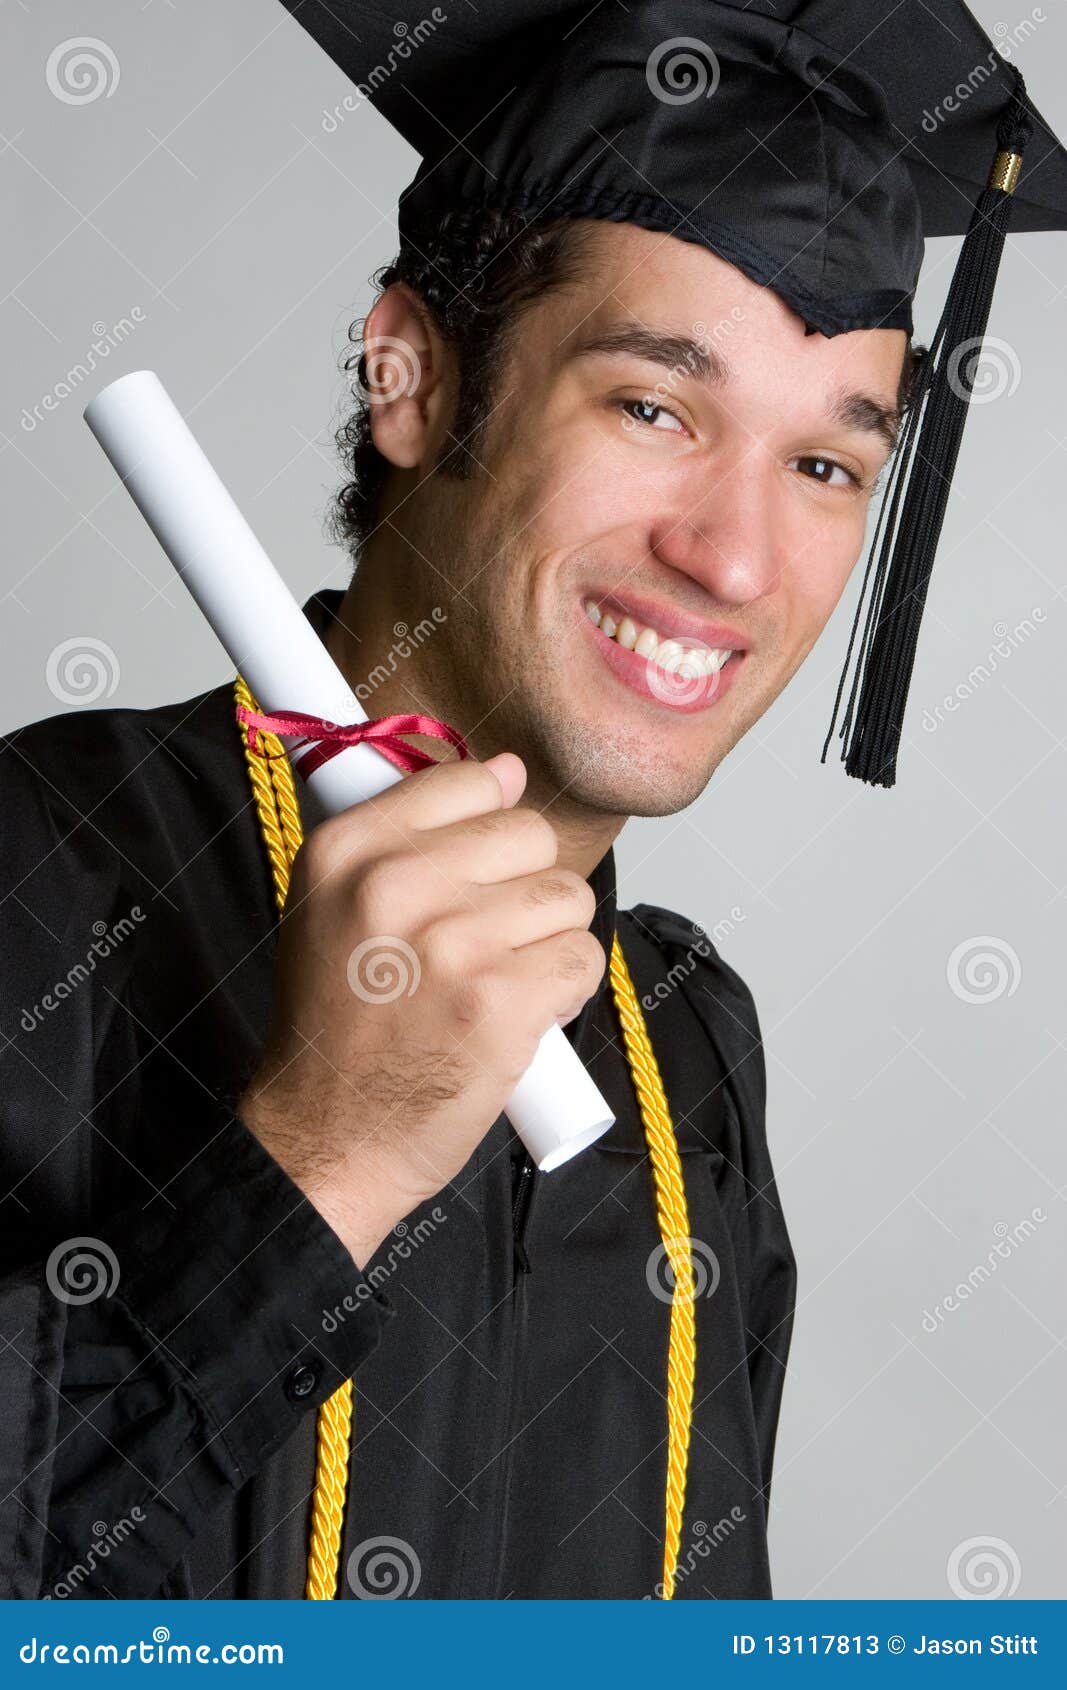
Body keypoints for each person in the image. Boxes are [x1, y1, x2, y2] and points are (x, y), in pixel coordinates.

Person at [0, 0, 1062, 1600]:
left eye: (827, 466)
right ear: (415, 378)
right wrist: (321, 1162)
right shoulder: (38, 878)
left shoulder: (688, 1044)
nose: (737, 558)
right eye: (654, 407)